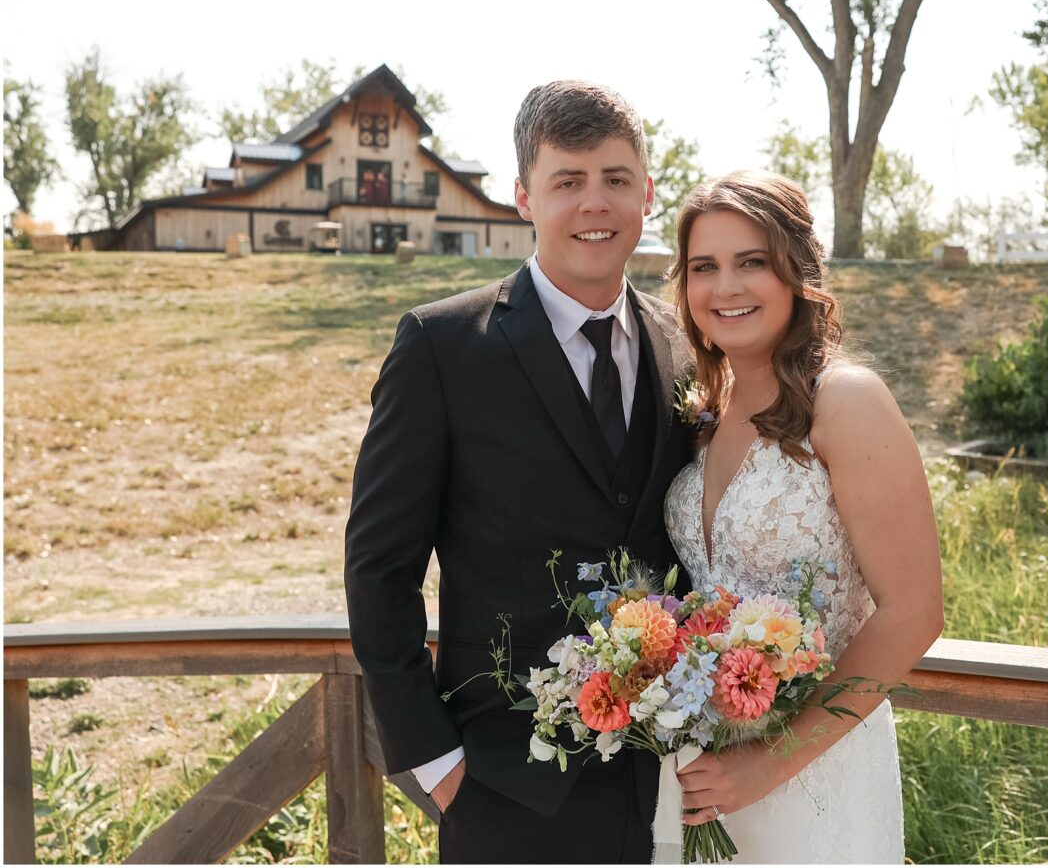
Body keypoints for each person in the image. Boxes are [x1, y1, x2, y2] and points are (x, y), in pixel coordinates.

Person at [345, 81, 695, 865]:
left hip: (671, 769)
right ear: (521, 197)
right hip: (506, 783)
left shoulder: (686, 346)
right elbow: (378, 569)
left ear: (646, 191)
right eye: (566, 181)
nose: (593, 204)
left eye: (614, 178)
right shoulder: (440, 347)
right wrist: (435, 763)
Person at [664, 172, 942, 863]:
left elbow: (914, 612)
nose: (725, 287)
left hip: (816, 771)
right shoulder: (702, 412)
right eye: (705, 267)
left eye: (751, 262)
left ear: (796, 272)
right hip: (703, 772)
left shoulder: (845, 401)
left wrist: (768, 763)